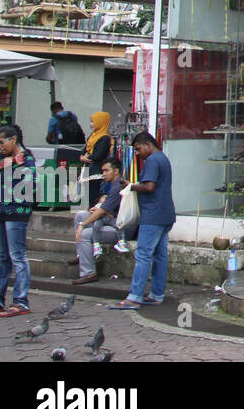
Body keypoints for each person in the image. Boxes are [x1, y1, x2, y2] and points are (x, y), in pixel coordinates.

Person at [109, 132, 175, 309]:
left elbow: (149, 186)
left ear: (147, 144)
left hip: (153, 215)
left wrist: (130, 186)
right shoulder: (163, 158)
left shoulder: (152, 160)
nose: (137, 153)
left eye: (138, 149)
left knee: (143, 255)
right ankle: (156, 294)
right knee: (160, 256)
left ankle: (134, 297)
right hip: (165, 214)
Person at [0, 125, 35, 317]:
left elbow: (31, 184)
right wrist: (1, 167)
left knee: (18, 256)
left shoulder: (27, 158)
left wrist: (16, 167)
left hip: (17, 212)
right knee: (2, 257)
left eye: (2, 142)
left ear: (13, 139)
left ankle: (21, 300)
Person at [72, 157, 126, 285]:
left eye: (106, 171)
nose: (104, 174)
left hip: (119, 229)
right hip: (109, 220)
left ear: (116, 171)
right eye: (103, 171)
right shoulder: (112, 185)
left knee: (85, 233)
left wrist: (83, 225)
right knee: (80, 215)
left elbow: (103, 211)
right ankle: (81, 256)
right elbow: (104, 209)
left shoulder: (118, 186)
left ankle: (89, 273)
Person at [79, 111, 114, 208]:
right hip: (88, 170)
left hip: (96, 172)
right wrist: (82, 157)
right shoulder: (92, 136)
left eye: (93, 122)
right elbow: (84, 150)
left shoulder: (105, 138)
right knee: (87, 197)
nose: (91, 124)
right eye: (91, 122)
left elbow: (98, 156)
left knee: (94, 197)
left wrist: (86, 157)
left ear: (101, 122)